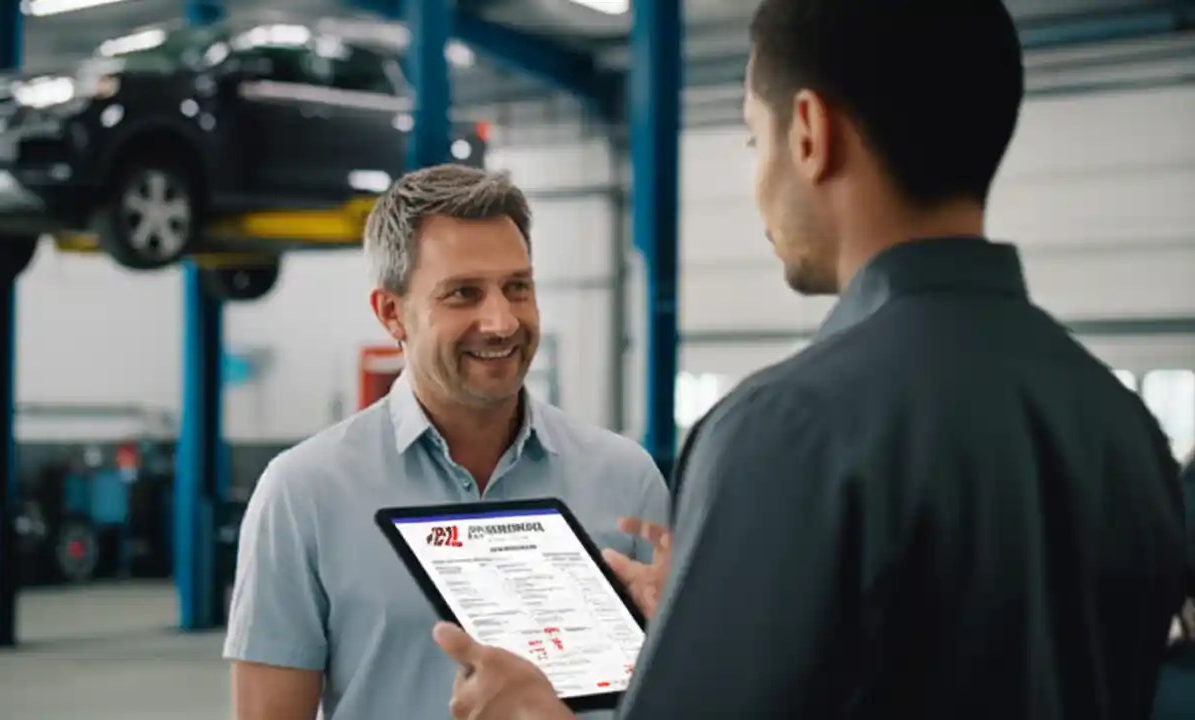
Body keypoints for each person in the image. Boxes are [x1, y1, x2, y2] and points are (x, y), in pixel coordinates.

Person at [431, 1, 1189, 718]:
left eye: (754, 139)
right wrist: (715, 622)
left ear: (809, 132)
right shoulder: (1125, 428)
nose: (760, 180)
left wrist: (534, 709)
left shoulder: (789, 429)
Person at [222, 164, 671, 720]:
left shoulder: (626, 480)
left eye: (517, 288)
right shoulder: (304, 494)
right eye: (463, 294)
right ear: (392, 313)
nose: (502, 321)